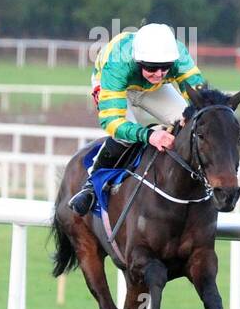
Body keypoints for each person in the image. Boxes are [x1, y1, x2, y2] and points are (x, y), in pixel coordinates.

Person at [68, 23, 208, 215]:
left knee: (191, 123)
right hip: (115, 86)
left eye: (165, 68)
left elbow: (200, 95)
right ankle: (91, 186)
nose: (159, 74)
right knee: (125, 135)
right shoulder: (118, 63)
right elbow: (112, 122)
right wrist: (149, 135)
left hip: (151, 89)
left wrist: (201, 112)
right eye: (152, 67)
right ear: (139, 61)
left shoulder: (177, 55)